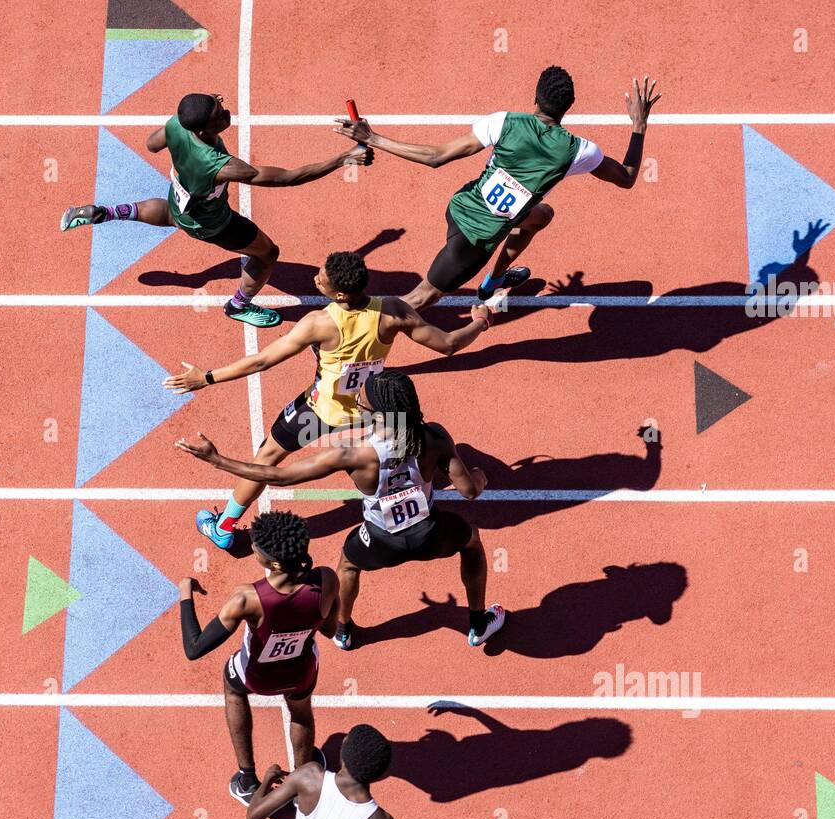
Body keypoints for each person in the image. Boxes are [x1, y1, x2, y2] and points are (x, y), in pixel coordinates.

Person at [164, 250, 492, 550]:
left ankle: (224, 526)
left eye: (320, 277)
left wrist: (207, 377)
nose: (315, 278)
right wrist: (479, 321)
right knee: (414, 451)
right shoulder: (393, 311)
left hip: (322, 411)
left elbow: (262, 361)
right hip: (376, 412)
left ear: (338, 294)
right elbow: (448, 344)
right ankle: (426, 490)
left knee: (268, 456)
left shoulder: (320, 323)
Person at [176, 370, 505, 649]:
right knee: (471, 542)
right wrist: (480, 476)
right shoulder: (434, 437)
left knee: (348, 565)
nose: (358, 402)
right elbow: (470, 490)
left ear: (378, 413)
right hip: (431, 533)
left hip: (379, 540)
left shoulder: (354, 454)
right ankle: (477, 625)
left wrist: (216, 460)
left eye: (362, 401)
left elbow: (278, 475)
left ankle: (344, 631)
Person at [336, 68, 660, 309]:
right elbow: (628, 176)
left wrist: (372, 135)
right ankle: (343, 327)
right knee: (419, 299)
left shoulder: (505, 121)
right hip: (473, 240)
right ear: (569, 106)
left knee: (541, 215)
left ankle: (495, 281)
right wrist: (639, 124)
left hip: (460, 205)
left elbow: (436, 157)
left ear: (535, 98)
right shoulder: (579, 150)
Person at [62, 92, 371, 327]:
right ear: (203, 129)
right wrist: (343, 158)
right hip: (212, 222)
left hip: (181, 197)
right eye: (219, 113)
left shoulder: (177, 125)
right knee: (267, 254)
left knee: (173, 215)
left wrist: (199, 109)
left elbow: (151, 145)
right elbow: (289, 178)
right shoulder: (219, 165)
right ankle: (239, 305)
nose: (226, 111)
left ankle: (105, 212)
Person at [178, 510, 338, 804]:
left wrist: (185, 595)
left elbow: (194, 648)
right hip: (302, 671)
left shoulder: (247, 598)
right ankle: (303, 779)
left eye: (256, 548)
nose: (252, 547)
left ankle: (247, 778)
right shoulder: (326, 579)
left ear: (274, 563)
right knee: (300, 711)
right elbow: (329, 631)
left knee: (233, 685)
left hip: (258, 676)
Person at [246, 723, 396, 819]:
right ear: (378, 773)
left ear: (343, 753)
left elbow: (253, 816)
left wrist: (268, 779)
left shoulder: (309, 777)